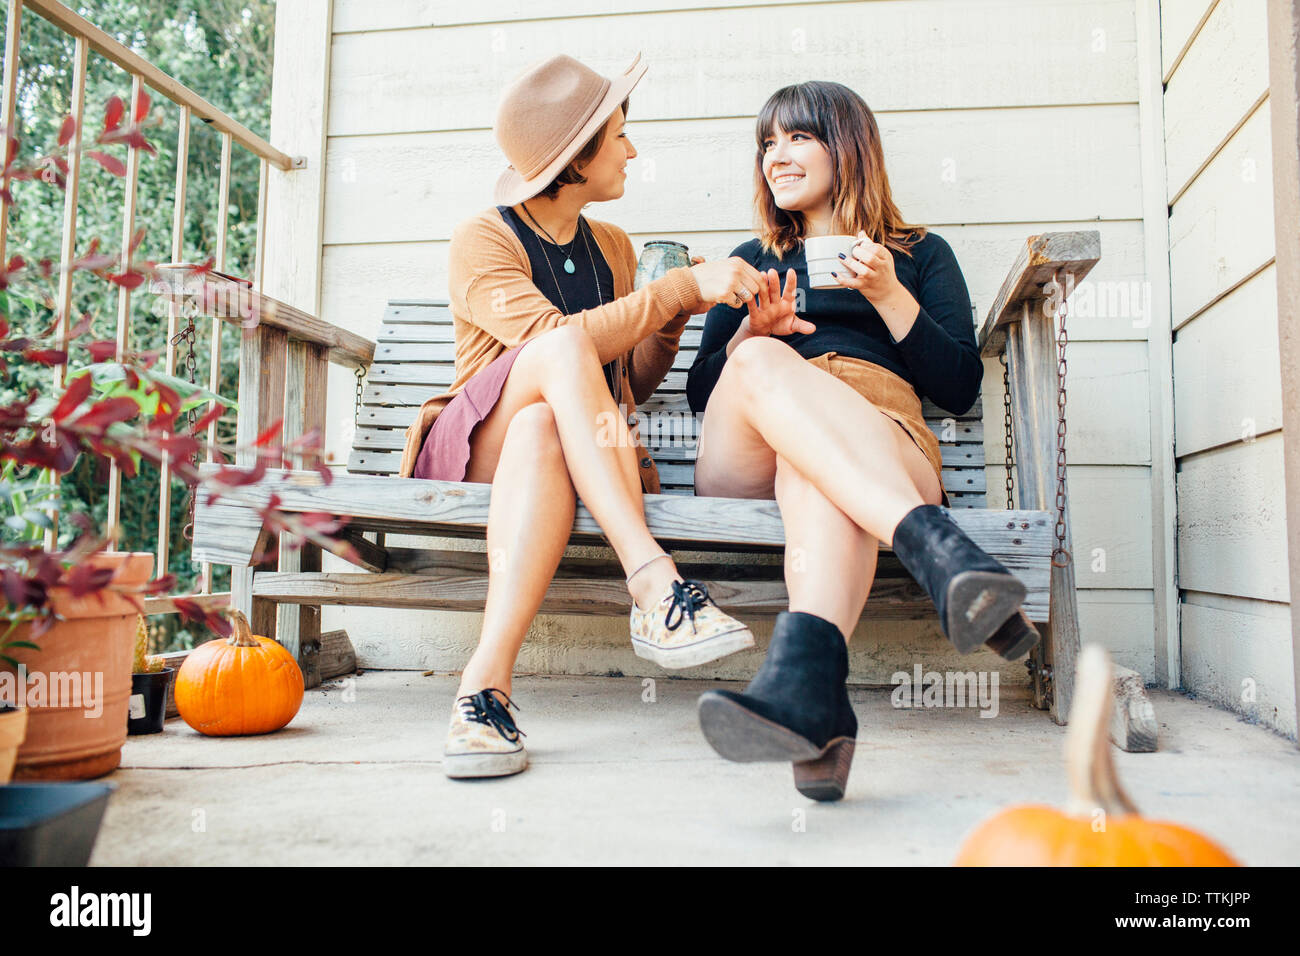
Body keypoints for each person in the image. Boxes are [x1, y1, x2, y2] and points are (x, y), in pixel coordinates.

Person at [399, 53, 771, 780]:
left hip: (553, 449)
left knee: (546, 423)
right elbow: (551, 349)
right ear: (575, 162)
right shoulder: (484, 239)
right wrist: (676, 291)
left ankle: (482, 691)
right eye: (620, 136)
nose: (633, 150)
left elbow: (623, 380)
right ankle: (654, 584)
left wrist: (674, 315)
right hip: (477, 447)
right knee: (555, 357)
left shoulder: (614, 246)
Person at [685, 80, 1040, 802]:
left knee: (817, 474)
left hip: (882, 430)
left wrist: (889, 295)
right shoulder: (753, 256)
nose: (775, 157)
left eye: (796, 137)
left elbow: (958, 387)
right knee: (756, 364)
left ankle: (813, 705)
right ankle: (936, 551)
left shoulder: (919, 253)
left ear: (846, 144)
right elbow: (700, 393)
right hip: (750, 437)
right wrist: (756, 333)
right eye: (766, 144)